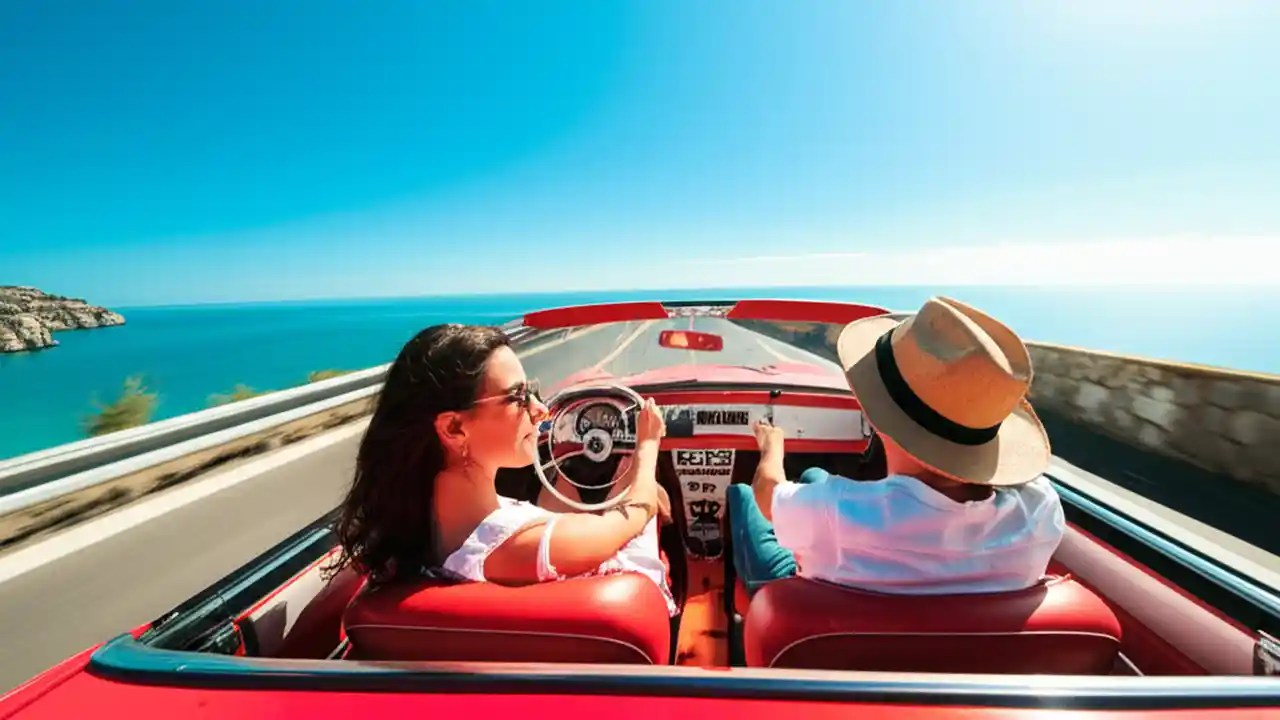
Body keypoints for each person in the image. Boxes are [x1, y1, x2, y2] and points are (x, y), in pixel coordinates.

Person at [728, 297, 1065, 596]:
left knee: (743, 495)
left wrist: (772, 446)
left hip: (817, 600)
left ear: (876, 418)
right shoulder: (1040, 508)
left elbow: (767, 494)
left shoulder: (837, 514)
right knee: (816, 474)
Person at [329, 323, 676, 614]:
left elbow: (535, 528)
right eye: (518, 397)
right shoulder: (521, 547)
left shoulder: (419, 531)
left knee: (567, 479)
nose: (542, 410)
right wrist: (647, 447)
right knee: (650, 493)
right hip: (633, 605)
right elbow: (634, 512)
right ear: (453, 428)